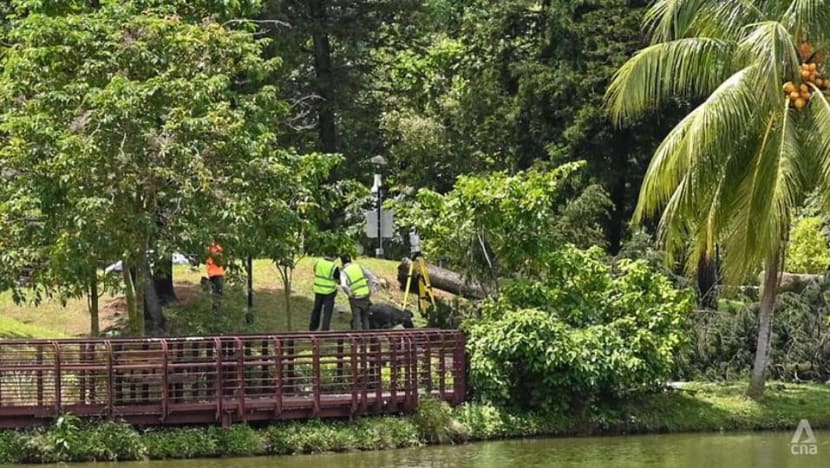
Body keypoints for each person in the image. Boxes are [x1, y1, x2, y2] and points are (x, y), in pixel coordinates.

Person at [340, 255, 377, 330]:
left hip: (355, 297)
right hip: (365, 295)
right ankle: (366, 336)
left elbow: (343, 285)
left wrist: (349, 294)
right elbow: (371, 277)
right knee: (365, 318)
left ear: (342, 262)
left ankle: (358, 337)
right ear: (350, 260)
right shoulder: (358, 266)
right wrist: (370, 288)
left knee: (357, 318)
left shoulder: (343, 272)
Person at [310, 253, 340, 331]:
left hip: (318, 290)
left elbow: (315, 271)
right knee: (327, 312)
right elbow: (337, 279)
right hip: (329, 292)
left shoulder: (318, 262)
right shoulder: (334, 266)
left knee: (316, 309)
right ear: (333, 256)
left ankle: (312, 328)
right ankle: (325, 330)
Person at [206, 242, 225, 315]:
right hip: (215, 274)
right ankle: (216, 311)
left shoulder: (215, 247)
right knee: (217, 293)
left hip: (215, 274)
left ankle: (216, 310)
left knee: (216, 293)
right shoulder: (213, 248)